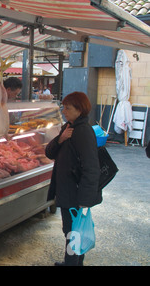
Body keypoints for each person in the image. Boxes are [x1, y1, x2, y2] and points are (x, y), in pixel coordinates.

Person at [45, 91, 102, 266]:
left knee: (72, 233)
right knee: (73, 231)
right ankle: (75, 262)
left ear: (79, 109)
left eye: (67, 108)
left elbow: (92, 168)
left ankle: (71, 263)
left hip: (76, 194)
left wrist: (84, 200)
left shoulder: (83, 132)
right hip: (67, 191)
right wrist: (60, 139)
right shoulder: (69, 127)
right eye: (63, 107)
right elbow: (50, 153)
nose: (63, 111)